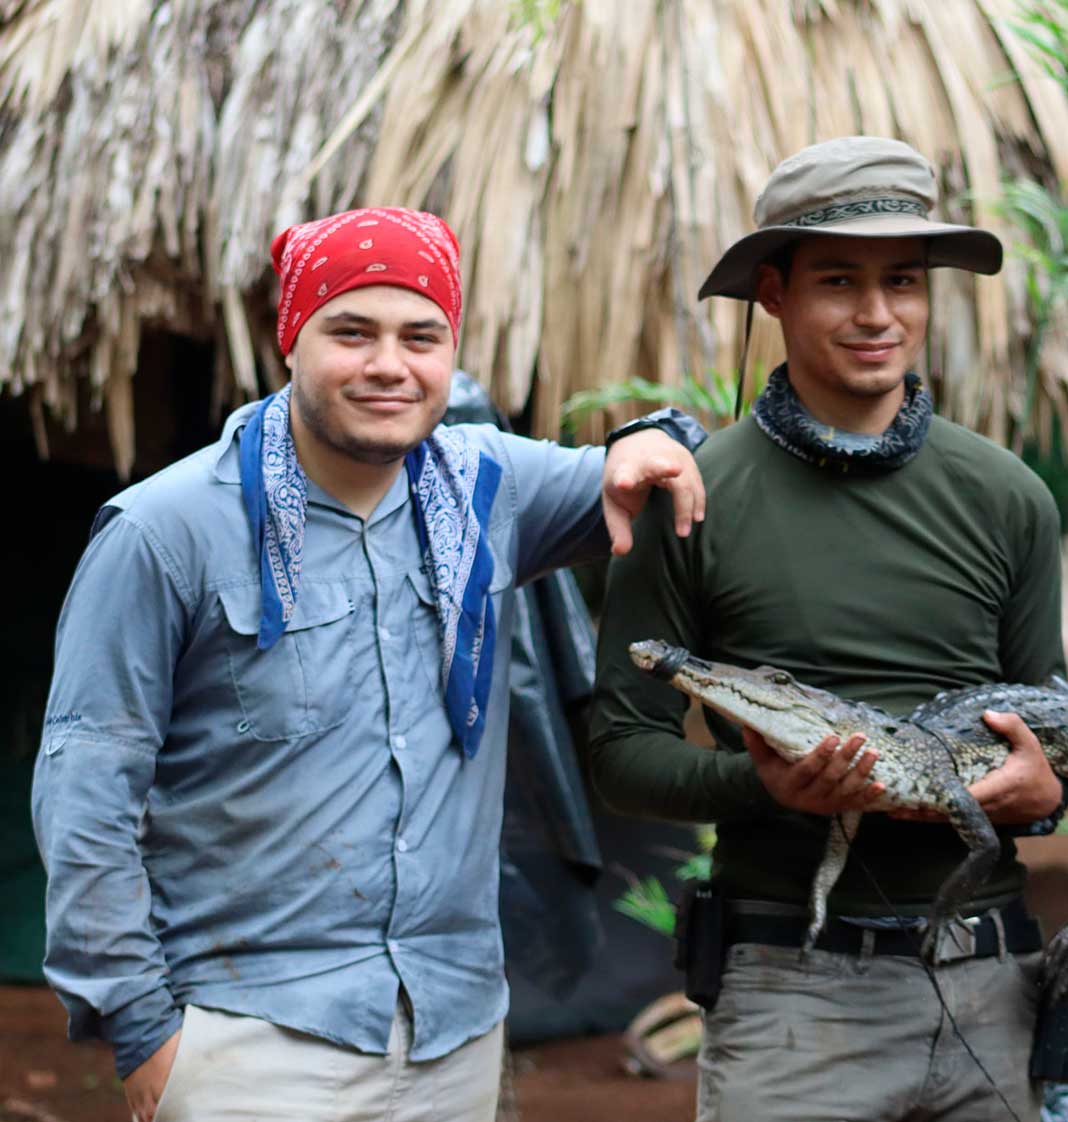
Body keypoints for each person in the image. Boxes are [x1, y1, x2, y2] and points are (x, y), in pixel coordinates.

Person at [31, 206, 707, 1122]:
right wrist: (144, 1031)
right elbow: (86, 788)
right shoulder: (166, 530)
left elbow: (639, 472)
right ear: (291, 343)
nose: (390, 365)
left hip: (453, 1029)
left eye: (421, 336)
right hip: (251, 1036)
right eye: (351, 332)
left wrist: (652, 436)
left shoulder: (487, 486)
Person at [588, 136, 1068, 1122]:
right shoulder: (690, 495)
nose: (876, 314)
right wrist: (760, 786)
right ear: (774, 290)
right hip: (790, 998)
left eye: (902, 280)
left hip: (990, 987)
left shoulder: (1007, 497)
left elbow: (1046, 721)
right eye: (839, 280)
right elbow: (617, 749)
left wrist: (1047, 791)